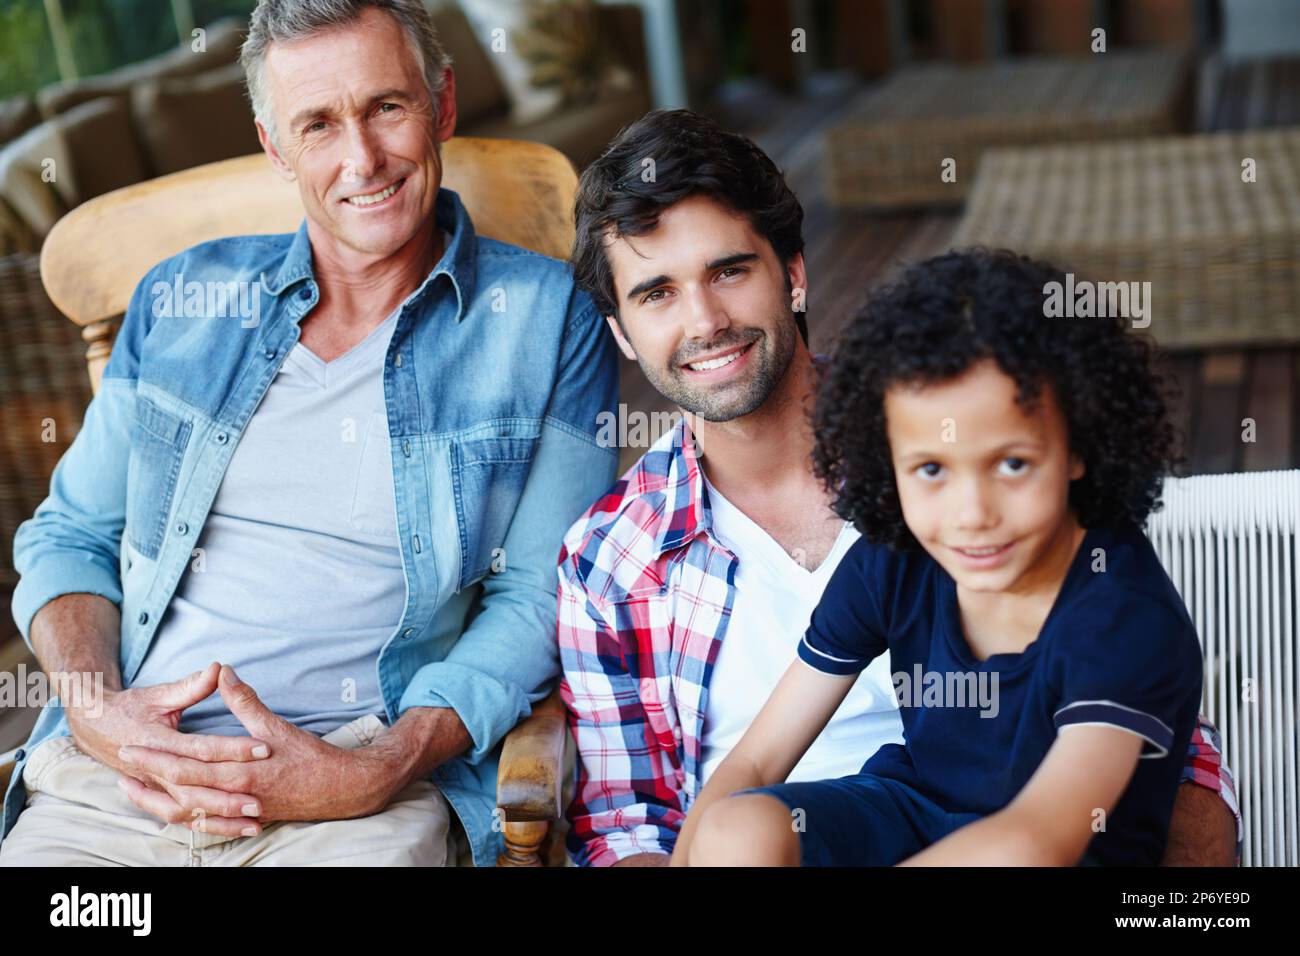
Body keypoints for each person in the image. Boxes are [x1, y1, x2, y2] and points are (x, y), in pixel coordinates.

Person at [0, 0, 617, 867]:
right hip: (126, 778)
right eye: (318, 124)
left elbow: (539, 598)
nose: (362, 159)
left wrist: (380, 767)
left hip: (358, 787)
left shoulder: (550, 320)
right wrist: (99, 711)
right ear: (275, 146)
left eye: (387, 107)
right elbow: (71, 536)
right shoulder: (181, 302)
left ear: (441, 104)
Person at [558, 108, 1240, 867]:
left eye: (729, 271)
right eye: (657, 293)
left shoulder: (952, 426)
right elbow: (643, 817)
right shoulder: (611, 557)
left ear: (793, 274)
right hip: (860, 822)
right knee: (734, 831)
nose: (705, 321)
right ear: (620, 332)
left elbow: (1100, 796)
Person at [674, 248, 1204, 866]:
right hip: (917, 816)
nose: (971, 513)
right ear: (886, 462)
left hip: (1048, 855)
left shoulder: (1124, 614)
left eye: (1013, 464)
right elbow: (756, 760)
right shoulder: (894, 561)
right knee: (736, 830)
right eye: (931, 469)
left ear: (1080, 448)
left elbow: (1035, 840)